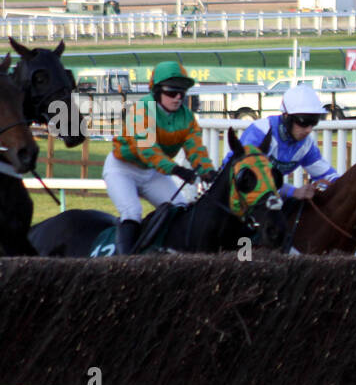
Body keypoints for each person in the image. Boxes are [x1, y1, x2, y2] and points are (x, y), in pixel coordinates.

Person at [106, 61, 215, 254]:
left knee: (180, 208)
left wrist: (208, 171)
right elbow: (147, 149)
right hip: (122, 169)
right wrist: (177, 169)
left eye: (182, 93)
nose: (178, 98)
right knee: (132, 212)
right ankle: (124, 264)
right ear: (156, 92)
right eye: (172, 93)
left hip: (152, 172)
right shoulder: (141, 109)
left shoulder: (187, 117)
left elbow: (196, 148)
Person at [222, 83, 339, 200]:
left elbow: (327, 175)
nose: (308, 129)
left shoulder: (306, 144)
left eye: (314, 122)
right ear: (286, 116)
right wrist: (293, 191)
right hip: (230, 190)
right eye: (303, 121)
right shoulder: (261, 131)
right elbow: (250, 178)